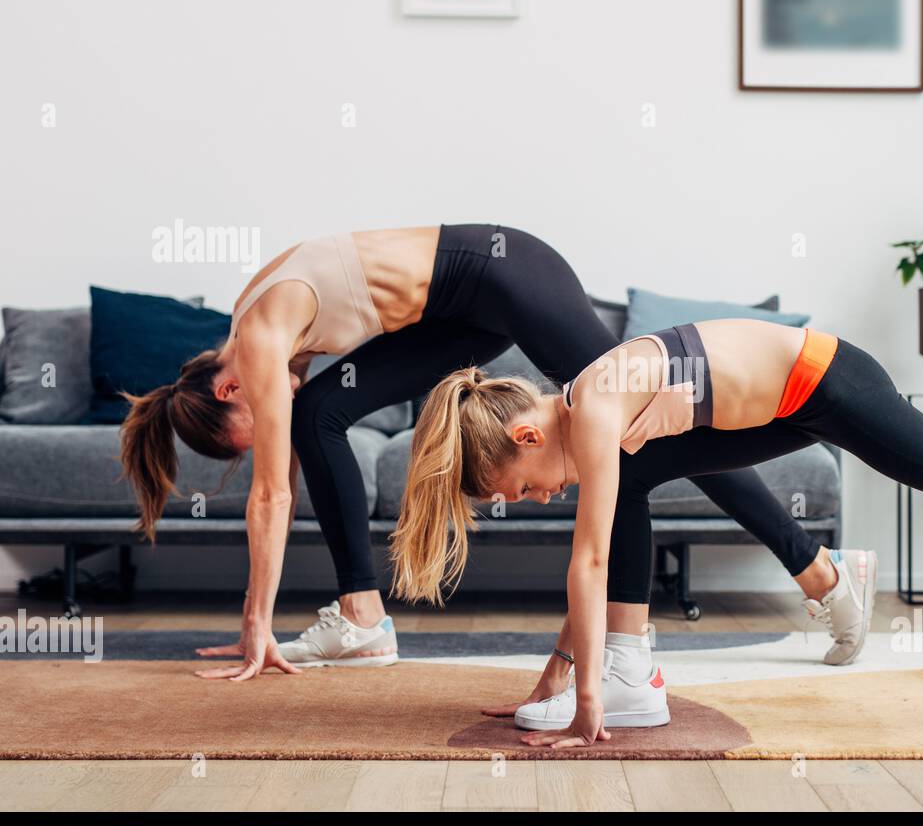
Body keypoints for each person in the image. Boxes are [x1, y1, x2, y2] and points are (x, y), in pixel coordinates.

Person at [394, 319, 923, 749]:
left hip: (831, 380)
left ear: (529, 437)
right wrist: (560, 670)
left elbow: (592, 553)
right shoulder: (591, 409)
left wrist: (577, 706)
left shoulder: (597, 400)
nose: (535, 497)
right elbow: (599, 537)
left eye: (518, 488)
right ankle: (630, 674)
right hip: (791, 398)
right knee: (644, 473)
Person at [118, 227, 864, 681]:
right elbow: (286, 463)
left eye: (259, 409)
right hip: (467, 308)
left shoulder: (256, 338)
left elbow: (272, 494)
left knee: (655, 437)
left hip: (507, 275)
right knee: (320, 409)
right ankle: (363, 621)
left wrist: (256, 619)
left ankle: (821, 575)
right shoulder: (255, 324)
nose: (273, 399)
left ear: (225, 388)